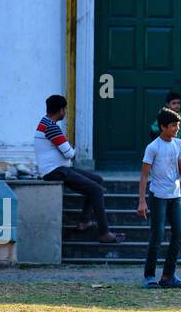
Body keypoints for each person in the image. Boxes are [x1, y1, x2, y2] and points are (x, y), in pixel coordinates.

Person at [35, 95, 123, 244]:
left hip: (60, 169)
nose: (65, 113)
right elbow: (69, 153)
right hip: (56, 171)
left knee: (97, 180)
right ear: (61, 110)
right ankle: (104, 233)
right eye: (64, 110)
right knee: (96, 190)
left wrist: (67, 147)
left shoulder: (45, 123)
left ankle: (84, 221)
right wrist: (71, 148)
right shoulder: (51, 127)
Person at [137, 107, 181, 288]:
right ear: (163, 126)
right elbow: (144, 176)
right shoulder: (152, 147)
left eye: (177, 125)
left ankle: (168, 276)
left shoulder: (178, 144)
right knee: (157, 236)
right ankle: (149, 276)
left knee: (179, 232)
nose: (176, 129)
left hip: (175, 196)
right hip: (158, 197)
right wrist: (142, 201)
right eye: (172, 126)